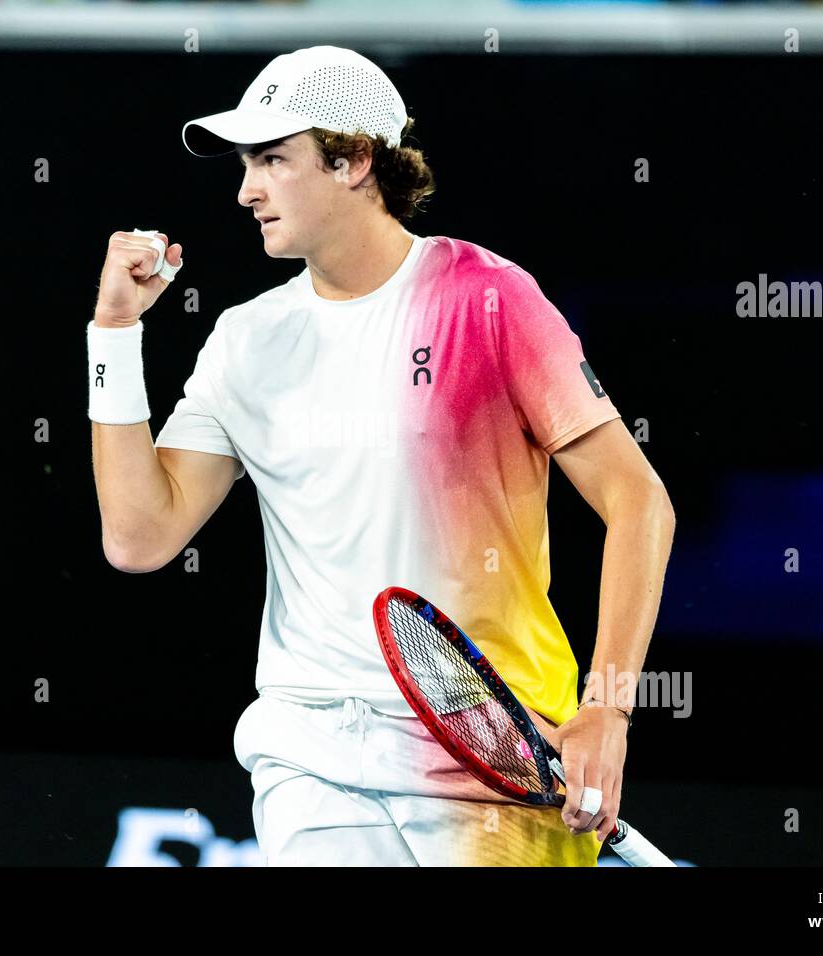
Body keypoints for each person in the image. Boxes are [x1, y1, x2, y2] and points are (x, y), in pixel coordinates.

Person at [87, 46, 675, 865]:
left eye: (272, 160)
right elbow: (138, 537)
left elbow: (639, 502)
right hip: (309, 754)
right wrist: (114, 337)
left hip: (491, 752)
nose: (245, 188)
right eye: (246, 163)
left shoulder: (488, 297)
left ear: (355, 159)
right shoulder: (246, 339)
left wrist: (606, 711)